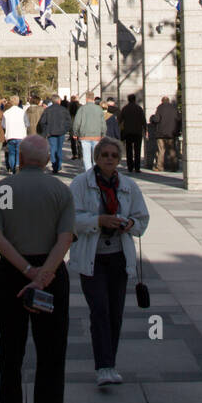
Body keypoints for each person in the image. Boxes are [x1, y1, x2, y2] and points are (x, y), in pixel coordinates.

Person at [0, 135, 75, 403]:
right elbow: (65, 237)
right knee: (51, 359)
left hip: (11, 274)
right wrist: (44, 274)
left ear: (20, 158)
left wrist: (24, 270)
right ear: (46, 159)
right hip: (52, 278)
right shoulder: (60, 190)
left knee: (10, 351)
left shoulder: (4, 189)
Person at [70, 138, 149, 386]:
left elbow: (142, 219)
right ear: (96, 157)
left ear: (119, 159)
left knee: (115, 313)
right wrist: (98, 221)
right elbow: (70, 218)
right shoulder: (80, 183)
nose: (109, 158)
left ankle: (109, 362)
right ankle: (104, 366)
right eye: (104, 154)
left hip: (118, 256)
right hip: (91, 257)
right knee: (100, 310)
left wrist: (130, 224)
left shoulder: (128, 186)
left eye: (114, 155)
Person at [72, 91, 106, 171]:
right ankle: (95, 172)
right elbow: (103, 123)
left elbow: (77, 122)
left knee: (86, 157)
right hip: (96, 135)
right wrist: (103, 134)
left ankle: (88, 173)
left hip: (85, 135)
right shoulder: (99, 109)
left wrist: (75, 133)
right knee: (96, 156)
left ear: (86, 98)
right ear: (93, 99)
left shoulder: (82, 109)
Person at [38, 94, 71, 173]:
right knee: (59, 149)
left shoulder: (47, 110)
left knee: (53, 149)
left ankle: (54, 165)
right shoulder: (64, 109)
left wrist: (46, 130)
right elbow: (68, 122)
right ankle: (58, 165)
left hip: (51, 132)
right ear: (59, 101)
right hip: (61, 132)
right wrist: (65, 130)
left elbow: (42, 122)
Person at [120, 94, 146, 173]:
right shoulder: (139, 108)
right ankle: (137, 167)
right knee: (137, 150)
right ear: (135, 99)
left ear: (128, 100)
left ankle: (130, 167)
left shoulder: (125, 109)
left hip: (128, 132)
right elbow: (143, 120)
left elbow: (120, 120)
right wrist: (145, 129)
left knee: (129, 150)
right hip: (137, 132)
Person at [2, 94, 28, 173]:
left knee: (11, 153)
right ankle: (17, 165)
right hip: (20, 135)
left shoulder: (6, 113)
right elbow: (27, 124)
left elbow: (3, 125)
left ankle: (13, 168)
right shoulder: (22, 112)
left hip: (10, 135)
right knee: (18, 153)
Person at [153, 96, 180, 171]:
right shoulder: (174, 108)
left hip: (161, 133)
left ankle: (159, 167)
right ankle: (174, 167)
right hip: (171, 133)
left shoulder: (160, 107)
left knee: (161, 150)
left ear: (162, 101)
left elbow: (156, 119)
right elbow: (178, 119)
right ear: (168, 101)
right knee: (172, 150)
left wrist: (152, 118)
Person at [68, 95, 80, 160]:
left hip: (72, 124)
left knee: (73, 140)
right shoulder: (81, 106)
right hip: (79, 125)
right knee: (79, 140)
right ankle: (80, 153)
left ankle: (74, 154)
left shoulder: (69, 106)